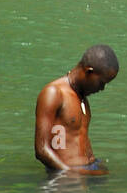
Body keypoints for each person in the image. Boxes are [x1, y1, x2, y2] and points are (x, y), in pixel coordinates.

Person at [35, 44, 119, 174]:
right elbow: (42, 150)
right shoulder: (54, 93)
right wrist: (71, 174)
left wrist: (95, 167)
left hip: (83, 175)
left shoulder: (82, 99)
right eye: (101, 83)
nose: (102, 89)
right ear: (89, 72)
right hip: (63, 181)